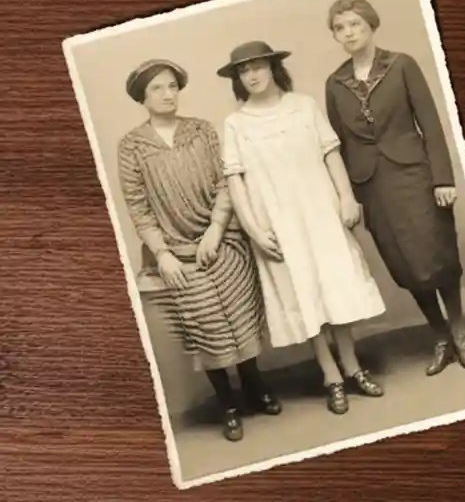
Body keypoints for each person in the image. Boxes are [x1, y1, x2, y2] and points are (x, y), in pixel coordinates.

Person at [217, 40, 387, 415]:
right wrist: (254, 230)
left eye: (258, 66)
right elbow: (235, 182)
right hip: (276, 223)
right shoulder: (236, 123)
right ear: (238, 79)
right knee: (303, 295)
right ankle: (331, 377)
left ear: (274, 68)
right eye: (244, 70)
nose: (253, 75)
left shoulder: (304, 106)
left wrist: (345, 197)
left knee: (335, 290)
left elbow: (330, 153)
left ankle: (354, 368)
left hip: (319, 212)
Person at [116, 58, 279, 442]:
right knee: (205, 326)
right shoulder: (132, 146)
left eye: (172, 86)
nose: (167, 94)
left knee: (240, 317)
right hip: (175, 252)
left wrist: (216, 231)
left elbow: (226, 183)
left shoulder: (202, 131)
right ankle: (227, 404)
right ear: (143, 96)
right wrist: (164, 254)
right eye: (157, 88)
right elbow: (137, 207)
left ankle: (255, 388)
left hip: (221, 240)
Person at [324, 0, 465, 376]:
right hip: (372, 187)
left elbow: (430, 123)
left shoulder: (401, 65)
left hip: (415, 176)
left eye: (355, 24)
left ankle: (460, 334)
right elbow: (340, 144)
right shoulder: (335, 83)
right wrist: (352, 197)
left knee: (437, 255)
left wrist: (442, 178)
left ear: (371, 25)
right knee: (404, 264)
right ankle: (440, 336)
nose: (349, 33)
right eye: (340, 28)